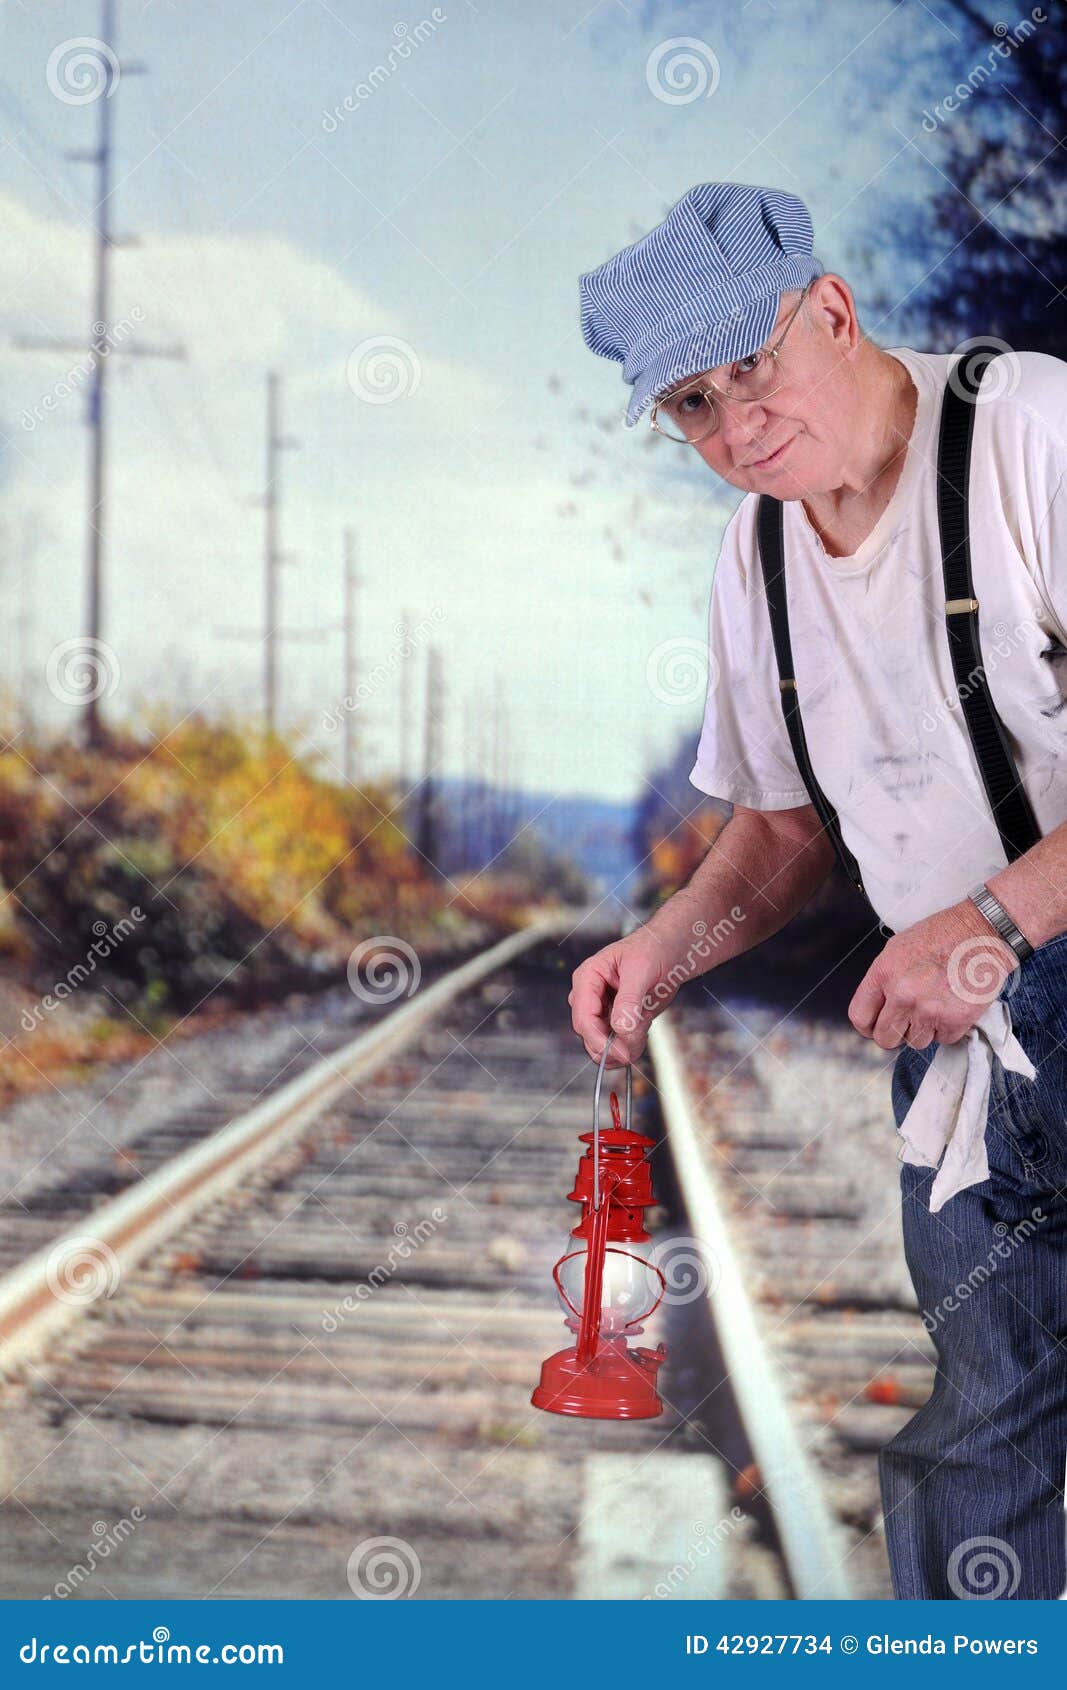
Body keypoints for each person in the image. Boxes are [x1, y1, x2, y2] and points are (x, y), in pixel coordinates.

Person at [568, 181, 1067, 1601]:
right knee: (988, 1438)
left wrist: (990, 922)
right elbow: (785, 833)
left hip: (1020, 957)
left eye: (751, 371)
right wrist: (662, 949)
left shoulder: (1030, 433)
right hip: (974, 1049)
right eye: (693, 410)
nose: (737, 428)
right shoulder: (762, 551)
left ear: (832, 312)